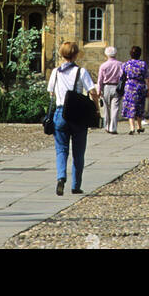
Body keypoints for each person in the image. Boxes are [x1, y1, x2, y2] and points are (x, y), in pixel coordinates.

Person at [48, 40, 99, 195]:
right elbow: (92, 91)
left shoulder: (55, 72)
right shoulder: (81, 72)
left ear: (61, 54)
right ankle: (76, 185)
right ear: (76, 54)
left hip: (60, 113)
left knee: (61, 149)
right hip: (77, 114)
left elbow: (51, 92)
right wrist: (96, 108)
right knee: (78, 152)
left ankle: (61, 177)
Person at [120, 46, 149, 135]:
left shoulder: (125, 64)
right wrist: (148, 89)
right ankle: (139, 126)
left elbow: (122, 77)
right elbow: (146, 78)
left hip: (129, 86)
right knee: (139, 106)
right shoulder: (143, 64)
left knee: (130, 106)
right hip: (140, 86)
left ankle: (132, 127)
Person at [97, 46, 123, 134]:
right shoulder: (120, 64)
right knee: (115, 108)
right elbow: (123, 77)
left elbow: (100, 79)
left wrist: (99, 89)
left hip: (106, 87)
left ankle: (107, 126)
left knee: (106, 108)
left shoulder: (103, 65)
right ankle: (113, 127)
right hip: (117, 87)